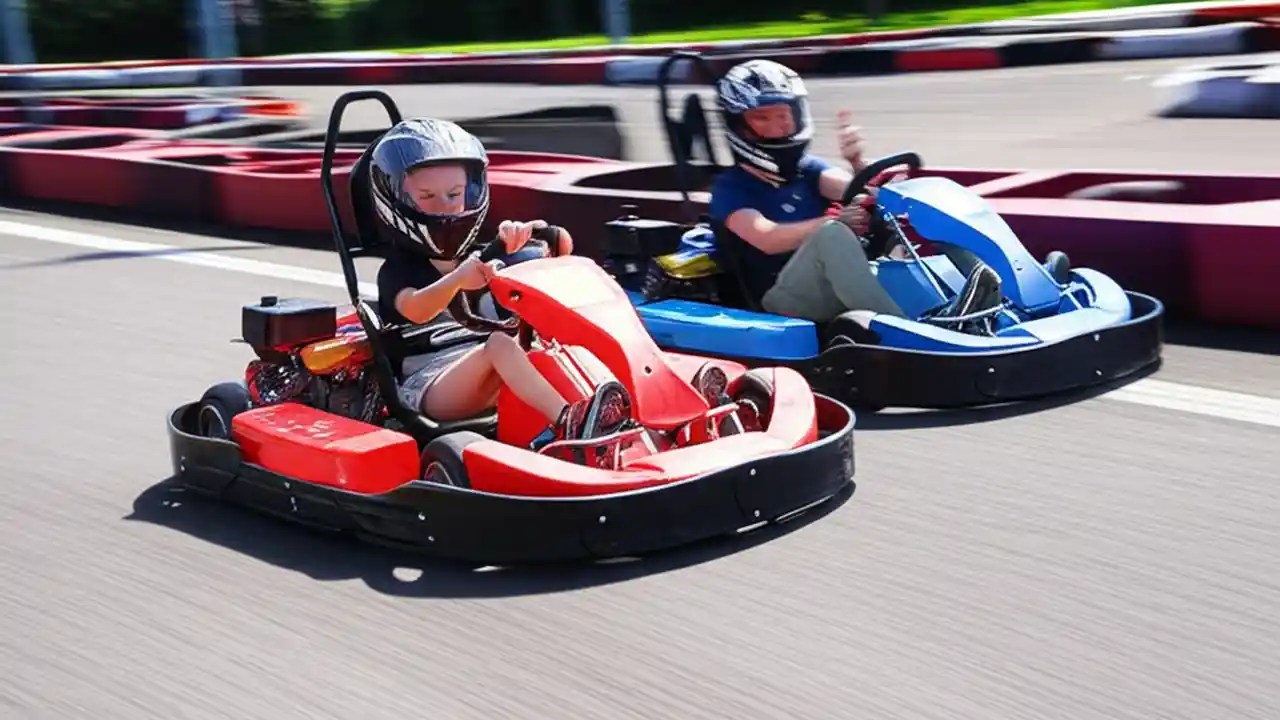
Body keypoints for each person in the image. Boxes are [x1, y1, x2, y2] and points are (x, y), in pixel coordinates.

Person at [367, 117, 631, 449]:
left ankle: (616, 407)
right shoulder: (399, 270)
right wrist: (457, 280)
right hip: (430, 383)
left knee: (560, 340)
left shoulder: (481, 255)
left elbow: (560, 250)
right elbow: (416, 309)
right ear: (398, 199)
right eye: (427, 195)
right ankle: (570, 422)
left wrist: (534, 236)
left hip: (487, 367)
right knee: (499, 344)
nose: (445, 207)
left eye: (454, 194)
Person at [707, 59, 1006, 324]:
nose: (778, 125)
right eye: (763, 117)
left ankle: (997, 296)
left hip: (832, 287)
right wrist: (831, 223)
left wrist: (859, 165)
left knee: (909, 208)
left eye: (783, 115)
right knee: (832, 235)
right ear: (740, 127)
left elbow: (857, 189)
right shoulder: (731, 188)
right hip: (780, 303)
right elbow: (767, 237)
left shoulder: (807, 170)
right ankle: (904, 331)